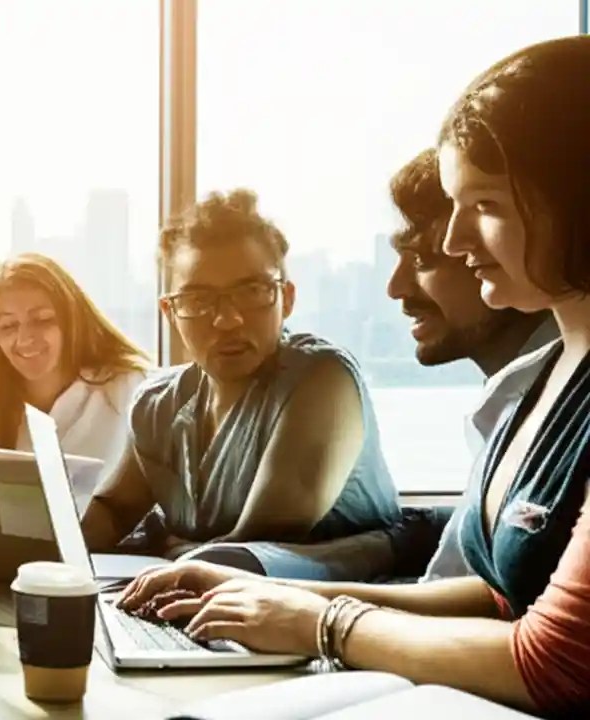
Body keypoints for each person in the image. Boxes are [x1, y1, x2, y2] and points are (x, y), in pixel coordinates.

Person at [120, 36, 590, 716]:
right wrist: (280, 596)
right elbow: (499, 595)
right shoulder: (546, 376)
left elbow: (555, 665)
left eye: (484, 206)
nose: (456, 241)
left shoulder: (320, 378)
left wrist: (325, 625)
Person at [82, 189, 402, 580]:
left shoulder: (321, 378)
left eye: (251, 292)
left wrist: (181, 552)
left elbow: (262, 540)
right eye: (199, 299)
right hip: (200, 618)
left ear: (286, 298)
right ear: (170, 312)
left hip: (324, 623)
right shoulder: (159, 404)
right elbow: (113, 511)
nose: (227, 320)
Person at [385, 148, 557, 580]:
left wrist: (322, 617)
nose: (395, 287)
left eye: (423, 260)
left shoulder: (557, 402)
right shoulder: (512, 400)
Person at [0, 252, 150, 504]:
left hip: (100, 542)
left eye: (42, 320)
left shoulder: (128, 387)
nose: (25, 339)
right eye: (8, 326)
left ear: (72, 320)